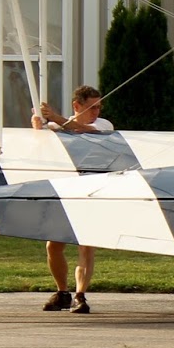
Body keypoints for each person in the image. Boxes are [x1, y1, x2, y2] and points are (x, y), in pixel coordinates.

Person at [33, 86, 113, 314]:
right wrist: (39, 128)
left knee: (86, 246)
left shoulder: (104, 125)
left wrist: (54, 118)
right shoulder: (56, 127)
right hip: (64, 190)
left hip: (91, 189)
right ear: (77, 106)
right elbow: (43, 147)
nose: (96, 111)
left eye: (99, 106)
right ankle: (62, 292)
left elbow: (86, 129)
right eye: (91, 107)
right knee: (53, 246)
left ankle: (80, 295)